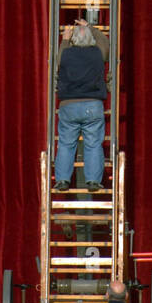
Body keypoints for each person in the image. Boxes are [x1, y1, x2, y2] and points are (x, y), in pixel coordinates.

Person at [53, 16, 109, 192]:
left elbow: (58, 59)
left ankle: (62, 180)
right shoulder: (98, 53)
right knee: (93, 144)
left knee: (66, 144)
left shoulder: (67, 53)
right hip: (92, 105)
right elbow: (106, 44)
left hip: (69, 105)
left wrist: (65, 39)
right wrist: (90, 27)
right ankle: (92, 181)